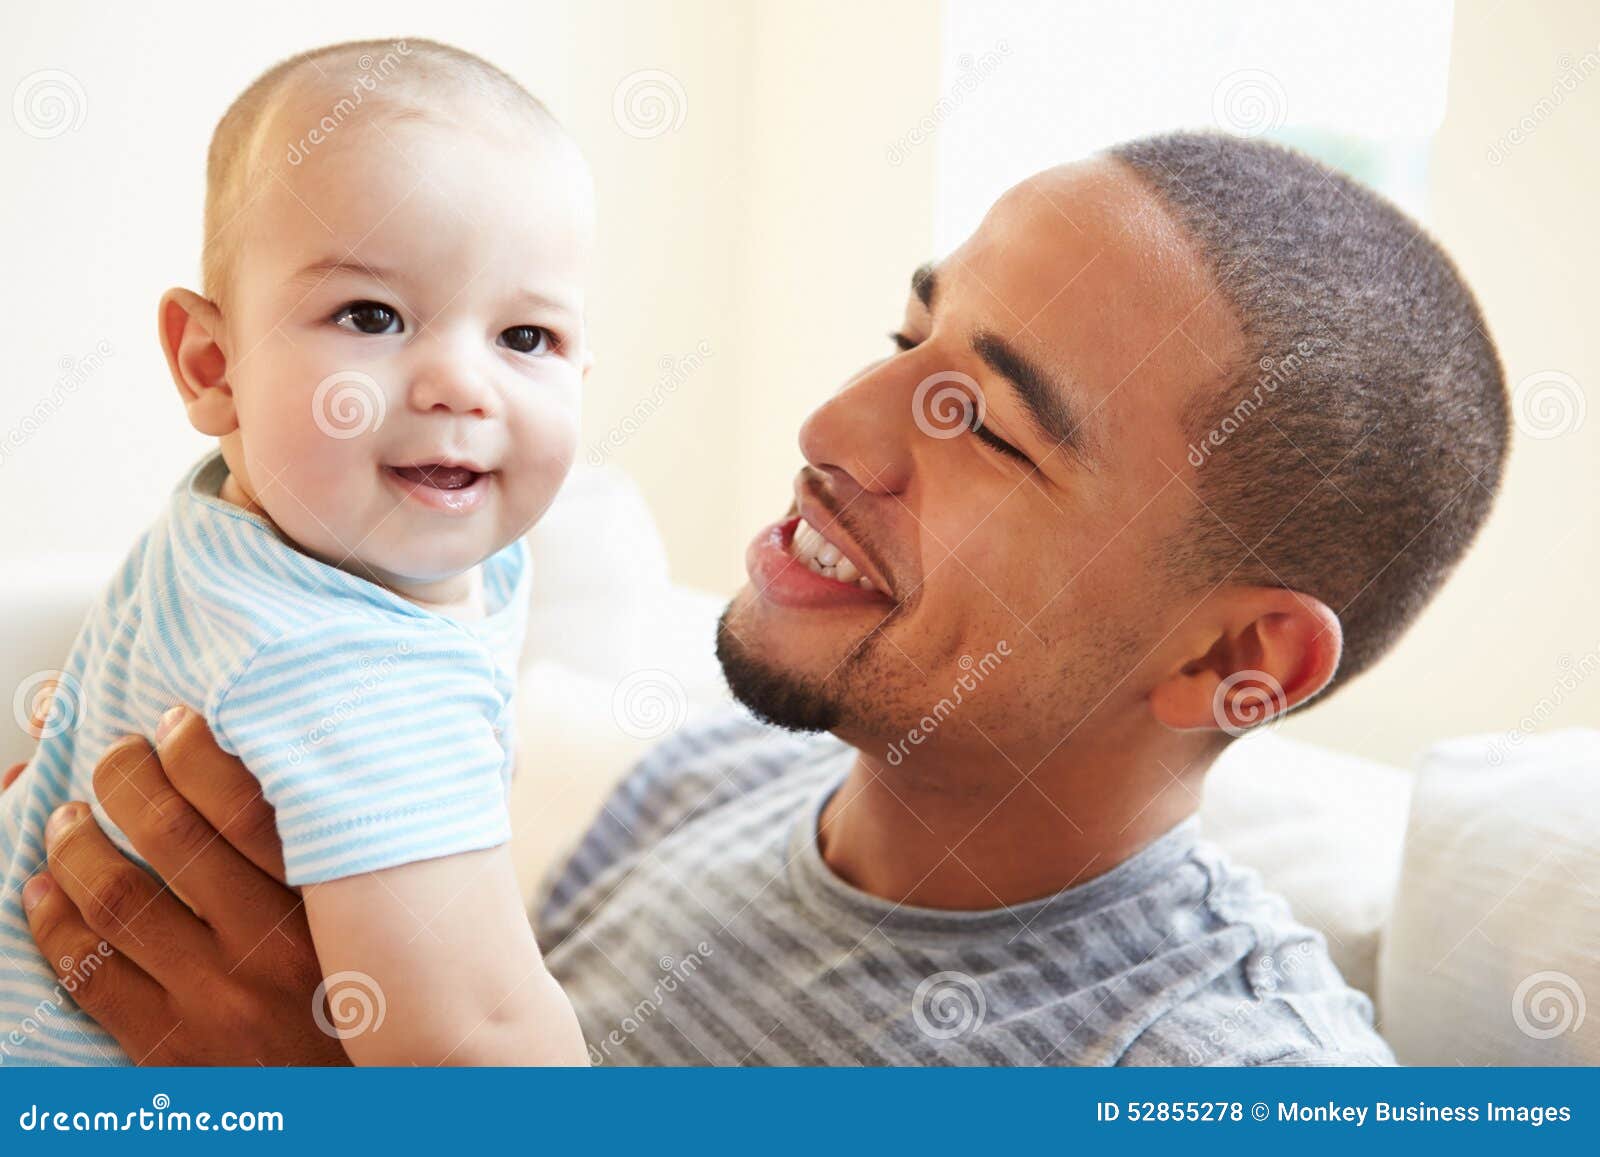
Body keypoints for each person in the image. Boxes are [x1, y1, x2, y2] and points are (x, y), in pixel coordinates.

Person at [17, 131, 1507, 1066]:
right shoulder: (708, 788)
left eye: (980, 424)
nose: (836, 430)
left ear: (1236, 655)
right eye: (904, 336)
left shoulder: (1219, 1076)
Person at [1, 38, 595, 1065]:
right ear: (212, 363)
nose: (462, 382)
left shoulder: (236, 529)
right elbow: (478, 1046)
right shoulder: (344, 659)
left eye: (526, 337)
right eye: (371, 315)